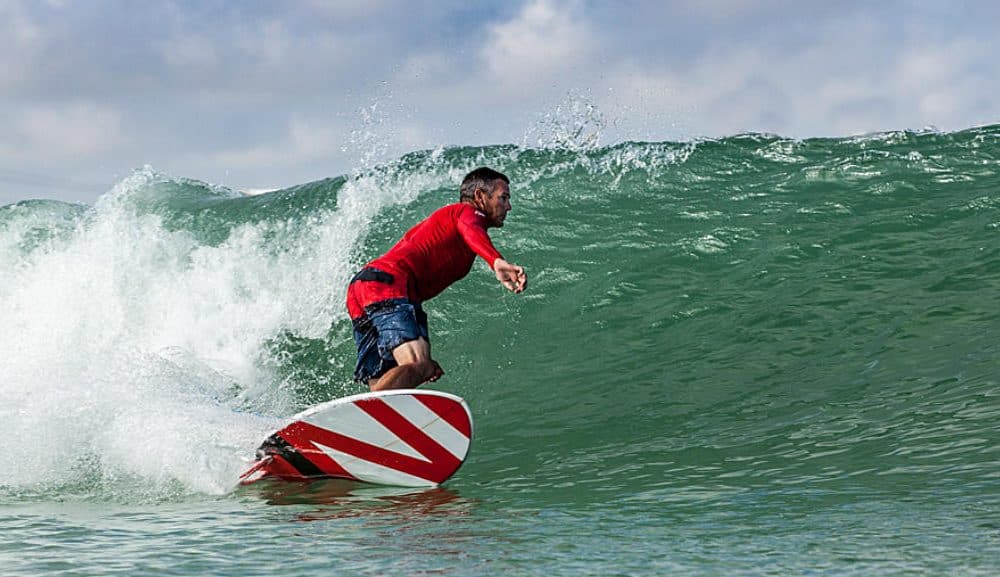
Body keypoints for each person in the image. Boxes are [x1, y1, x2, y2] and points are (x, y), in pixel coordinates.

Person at [346, 167, 527, 391]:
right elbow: (470, 227)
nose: (508, 206)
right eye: (504, 197)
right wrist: (496, 261)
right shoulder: (465, 212)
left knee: (386, 380)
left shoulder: (456, 227)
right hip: (389, 285)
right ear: (480, 196)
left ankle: (367, 419)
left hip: (365, 287)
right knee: (417, 363)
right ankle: (370, 417)